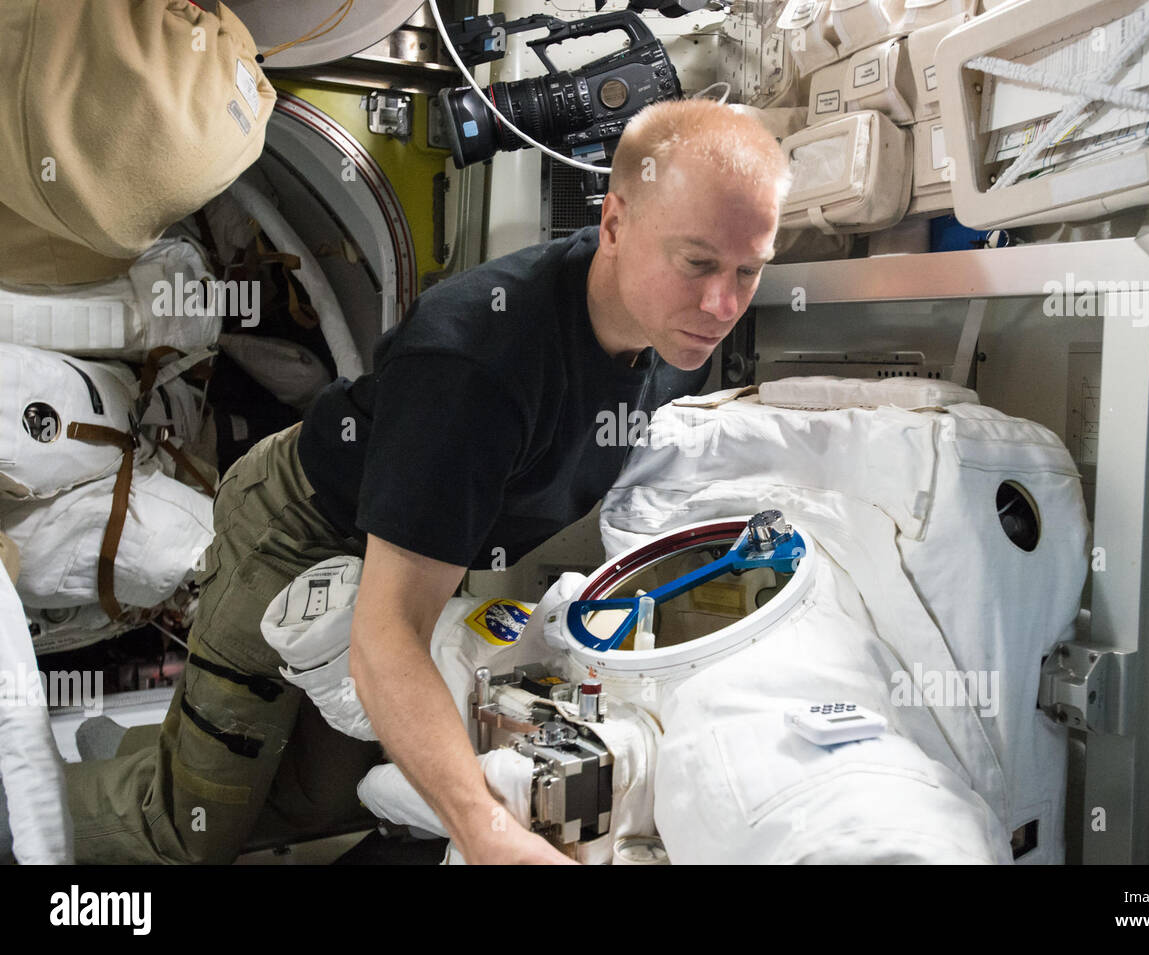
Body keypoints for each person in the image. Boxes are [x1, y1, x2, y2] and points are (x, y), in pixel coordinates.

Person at [60, 97, 792, 865]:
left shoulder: (677, 336)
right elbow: (386, 641)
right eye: (699, 263)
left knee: (321, 796)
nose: (722, 305)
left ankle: (163, 748)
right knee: (189, 833)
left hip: (402, 543)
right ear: (614, 223)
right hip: (297, 532)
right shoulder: (478, 361)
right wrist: (489, 833)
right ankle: (35, 803)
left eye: (749, 271)